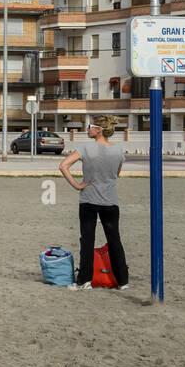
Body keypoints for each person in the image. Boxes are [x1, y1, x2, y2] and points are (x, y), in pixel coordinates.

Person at [58, 115, 129, 290]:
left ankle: (84, 281)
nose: (87, 128)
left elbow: (63, 166)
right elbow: (116, 175)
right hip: (110, 201)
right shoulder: (118, 150)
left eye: (90, 126)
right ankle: (123, 281)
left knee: (87, 240)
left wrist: (77, 185)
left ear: (98, 130)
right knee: (115, 241)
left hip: (89, 199)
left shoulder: (85, 148)